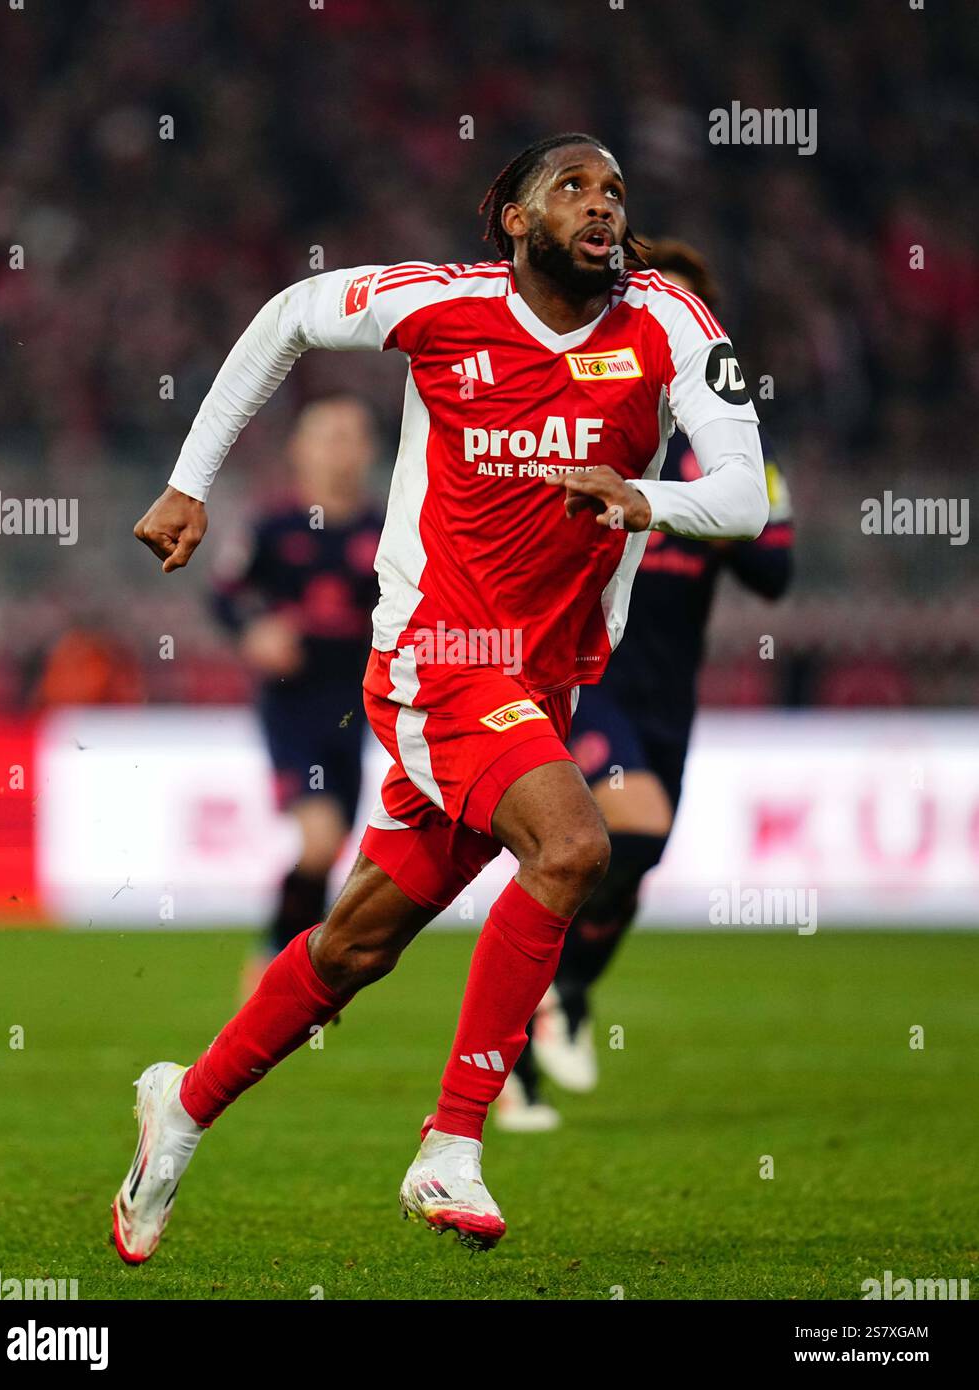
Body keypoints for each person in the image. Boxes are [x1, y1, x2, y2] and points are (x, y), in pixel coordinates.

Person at [117, 132, 769, 1261]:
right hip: (437, 654)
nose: (600, 203)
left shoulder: (666, 320)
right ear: (513, 218)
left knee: (359, 943)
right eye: (571, 186)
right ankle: (451, 1141)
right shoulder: (437, 304)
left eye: (614, 188)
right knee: (570, 847)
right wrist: (187, 484)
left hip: (547, 677)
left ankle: (181, 1105)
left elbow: (742, 500)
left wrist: (640, 496)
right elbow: (285, 316)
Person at [496, 240, 795, 1131]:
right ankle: (545, 1009)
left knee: (637, 858)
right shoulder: (586, 420)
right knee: (635, 823)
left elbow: (774, 572)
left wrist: (694, 505)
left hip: (670, 688)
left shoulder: (734, 455)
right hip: (589, 674)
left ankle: (539, 1019)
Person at [209, 396, 384, 999]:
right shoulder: (272, 526)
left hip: (357, 706)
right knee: (318, 836)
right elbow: (225, 594)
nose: (342, 449)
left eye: (352, 436)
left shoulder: (386, 532)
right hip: (292, 706)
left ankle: (291, 963)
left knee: (333, 845)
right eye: (328, 435)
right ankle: (276, 962)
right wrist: (253, 630)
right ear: (299, 450)